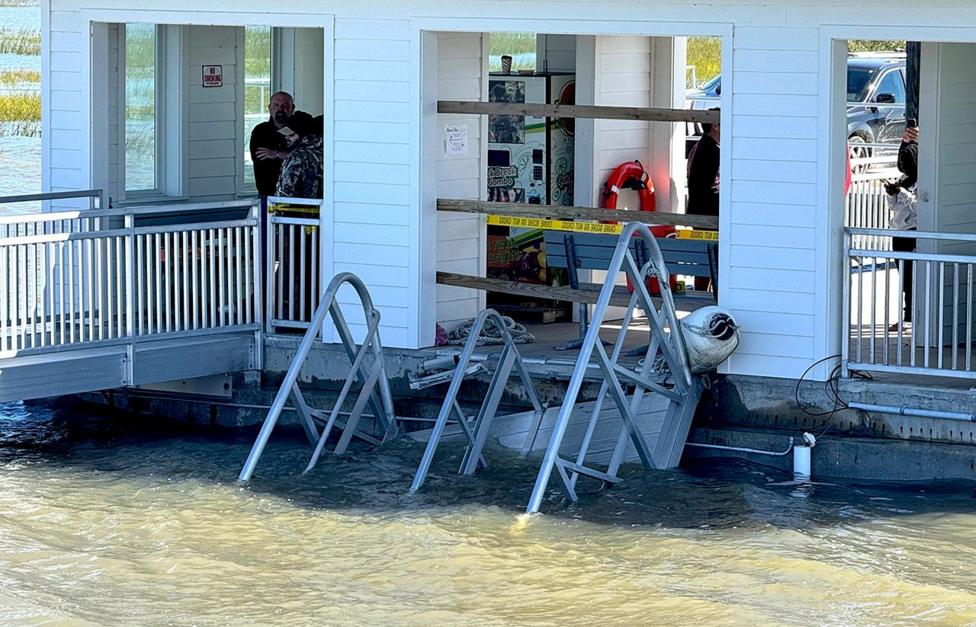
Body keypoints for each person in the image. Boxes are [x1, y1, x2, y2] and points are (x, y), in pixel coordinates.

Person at [887, 123, 919, 331]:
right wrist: (892, 193)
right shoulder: (904, 179)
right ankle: (907, 317)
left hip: (914, 232)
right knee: (904, 277)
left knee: (914, 277)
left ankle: (913, 318)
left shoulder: (924, 181)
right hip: (899, 231)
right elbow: (894, 207)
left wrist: (905, 194)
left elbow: (919, 207)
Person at [686, 109, 720, 290]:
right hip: (709, 215)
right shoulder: (712, 151)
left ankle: (702, 297)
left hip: (697, 210)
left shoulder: (699, 146)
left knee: (705, 262)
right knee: (712, 262)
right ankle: (707, 299)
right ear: (715, 126)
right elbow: (711, 185)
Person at [276, 112, 324, 199]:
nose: (286, 137)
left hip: (296, 210)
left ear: (303, 134)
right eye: (285, 134)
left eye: (291, 134)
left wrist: (276, 210)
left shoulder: (297, 158)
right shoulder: (325, 154)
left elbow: (285, 195)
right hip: (321, 210)